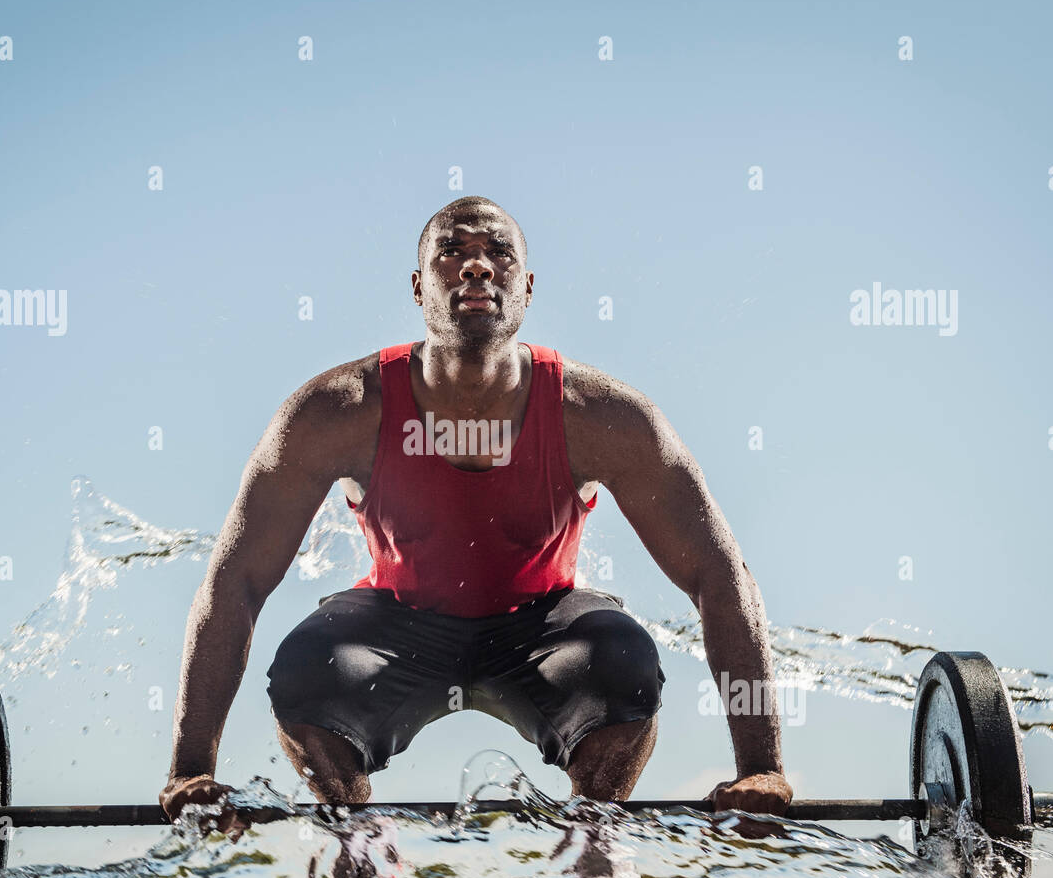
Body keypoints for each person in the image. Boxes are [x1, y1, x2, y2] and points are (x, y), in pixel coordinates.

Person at [160, 196, 792, 834]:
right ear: (418, 286)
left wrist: (760, 767)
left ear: (526, 287)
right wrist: (189, 768)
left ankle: (597, 851)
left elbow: (719, 573)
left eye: (498, 254)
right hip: (396, 621)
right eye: (454, 252)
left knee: (622, 664)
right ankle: (357, 850)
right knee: (306, 674)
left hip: (543, 626)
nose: (477, 268)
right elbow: (235, 580)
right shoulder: (337, 412)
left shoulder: (605, 417)